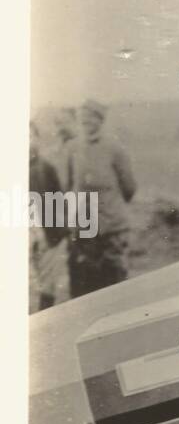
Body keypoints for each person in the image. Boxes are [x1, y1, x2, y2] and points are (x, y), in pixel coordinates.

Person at [66, 99, 137, 297]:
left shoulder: (115, 149)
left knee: (114, 285)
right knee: (84, 286)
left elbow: (129, 188)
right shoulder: (73, 148)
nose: (87, 123)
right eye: (83, 119)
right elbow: (68, 186)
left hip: (111, 229)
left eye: (91, 118)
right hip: (83, 230)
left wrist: (110, 210)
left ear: (100, 120)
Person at [29, 120, 67, 312]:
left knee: (47, 286)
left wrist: (57, 232)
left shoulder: (46, 169)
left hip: (48, 235)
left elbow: (60, 201)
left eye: (29, 137)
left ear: (36, 139)